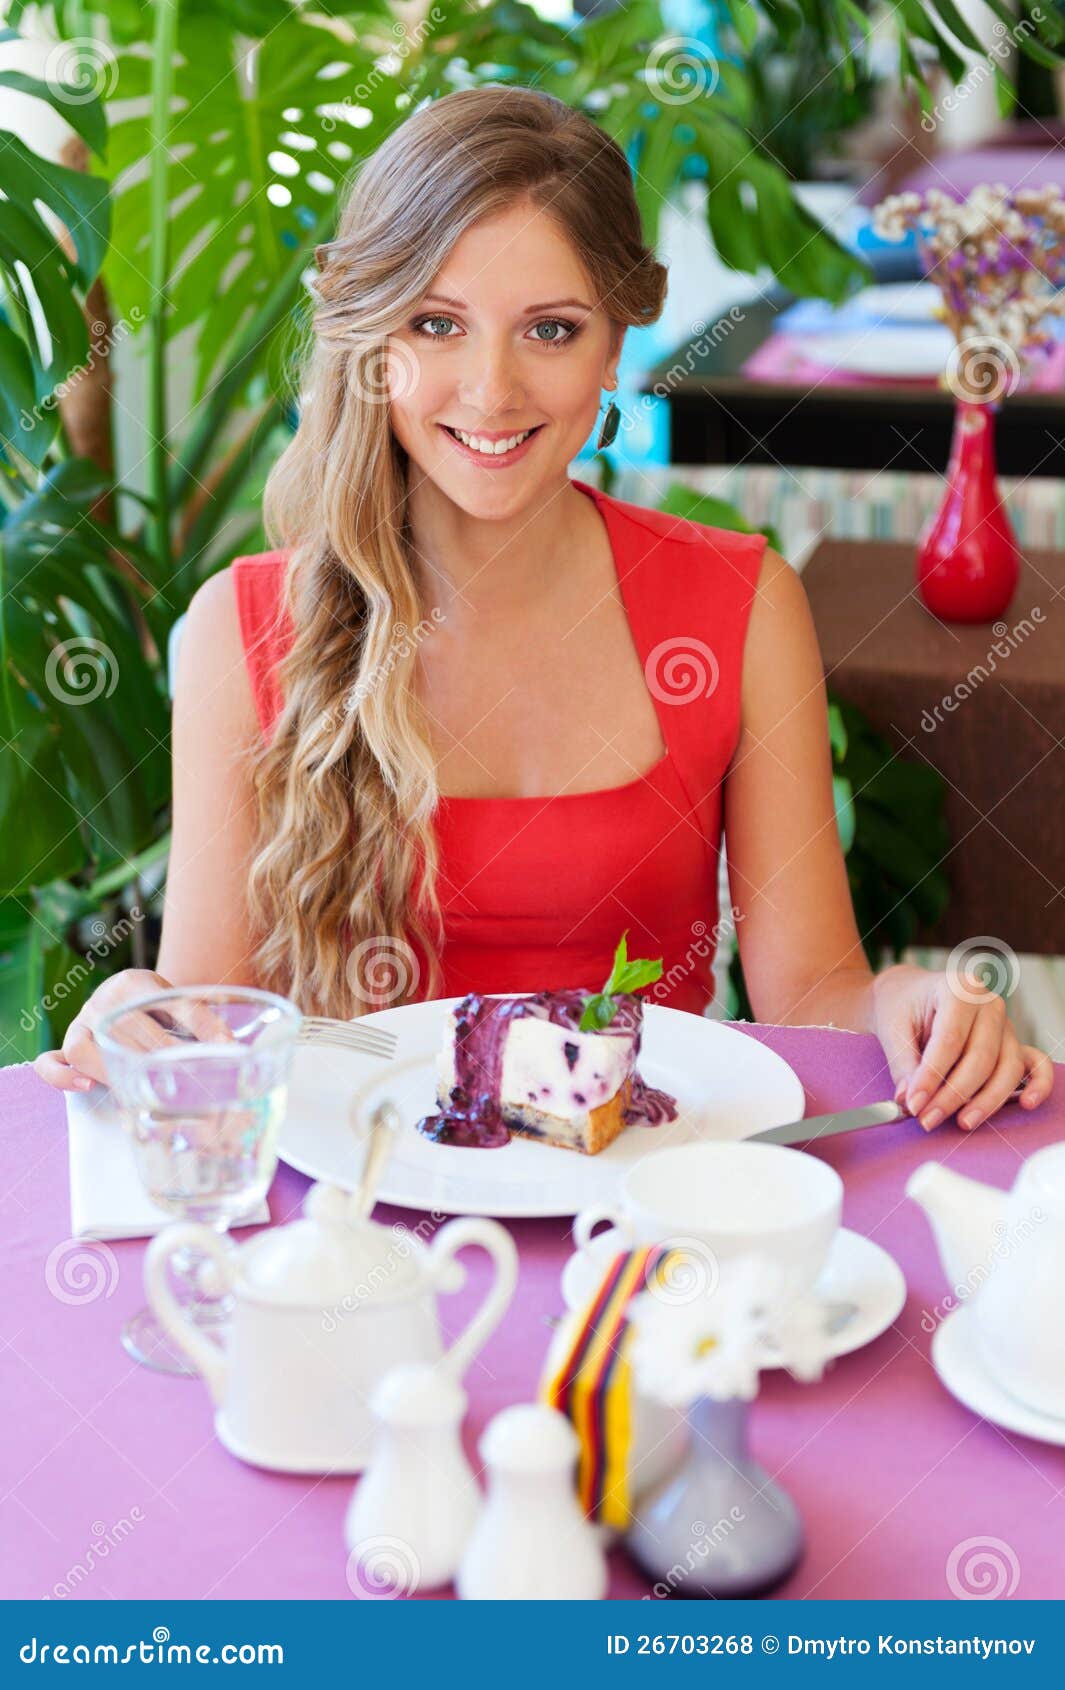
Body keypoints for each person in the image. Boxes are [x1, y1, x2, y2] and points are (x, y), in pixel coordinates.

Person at [34, 85, 1052, 1135]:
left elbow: (811, 997)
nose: (491, 389)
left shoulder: (740, 605)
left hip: (648, 1191)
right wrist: (138, 1010)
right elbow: (211, 1018)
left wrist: (900, 1001)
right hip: (355, 1205)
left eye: (551, 330)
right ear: (374, 344)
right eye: (437, 324)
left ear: (614, 348)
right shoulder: (239, 626)